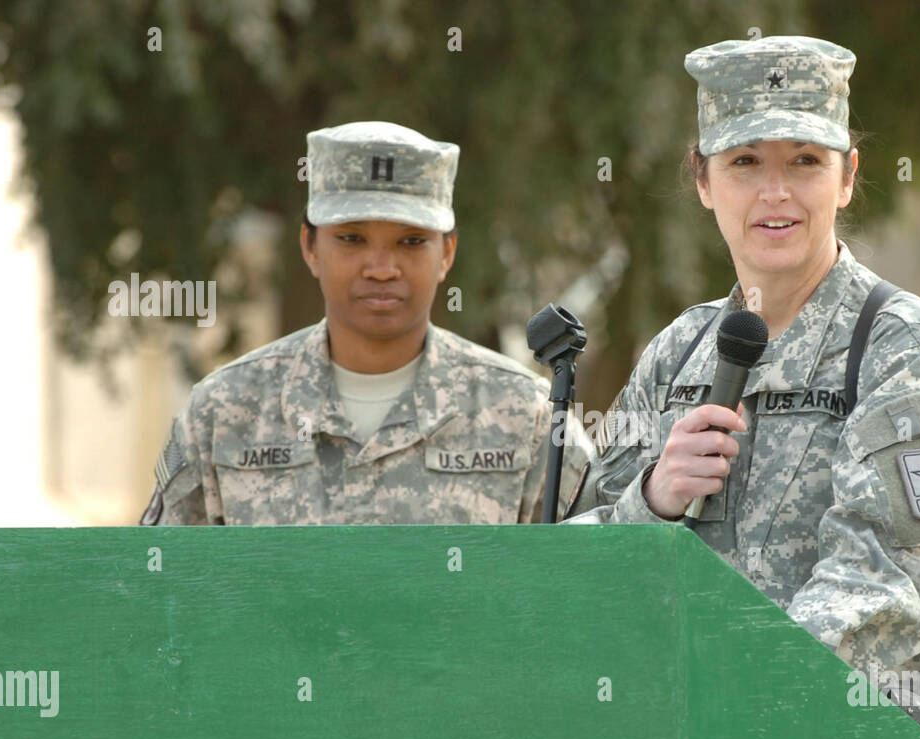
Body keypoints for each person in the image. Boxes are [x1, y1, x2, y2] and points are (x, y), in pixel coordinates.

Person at [566, 36, 920, 739]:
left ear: (847, 178)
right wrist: (652, 500)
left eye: (804, 160)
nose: (776, 192)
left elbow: (881, 589)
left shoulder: (904, 351)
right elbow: (578, 574)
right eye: (745, 162)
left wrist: (731, 714)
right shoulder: (678, 353)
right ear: (703, 180)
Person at [141, 121, 590, 526]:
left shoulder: (526, 416)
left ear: (447, 253)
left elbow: (598, 582)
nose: (381, 268)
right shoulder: (222, 413)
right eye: (352, 238)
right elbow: (155, 587)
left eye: (411, 241)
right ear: (310, 247)